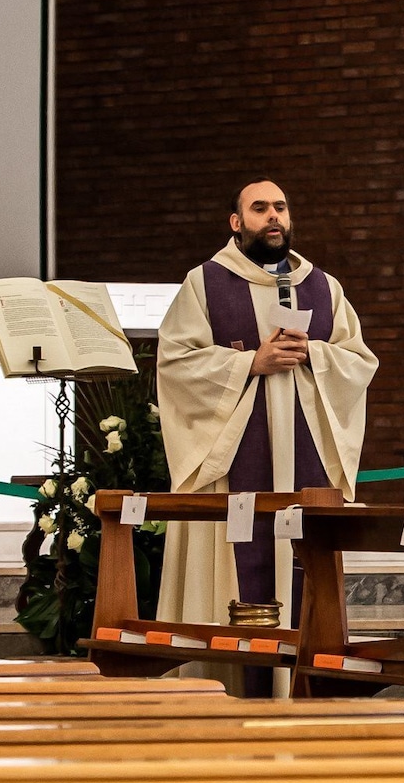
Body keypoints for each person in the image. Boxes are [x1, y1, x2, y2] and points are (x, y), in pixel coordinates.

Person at [154, 179, 379, 628]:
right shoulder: (205, 283)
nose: (273, 216)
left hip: (305, 457)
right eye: (260, 208)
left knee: (304, 568)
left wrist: (314, 352)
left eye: (280, 207)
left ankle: (309, 677)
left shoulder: (323, 287)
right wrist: (250, 363)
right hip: (236, 458)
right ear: (237, 223)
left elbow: (359, 361)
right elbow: (175, 362)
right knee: (241, 565)